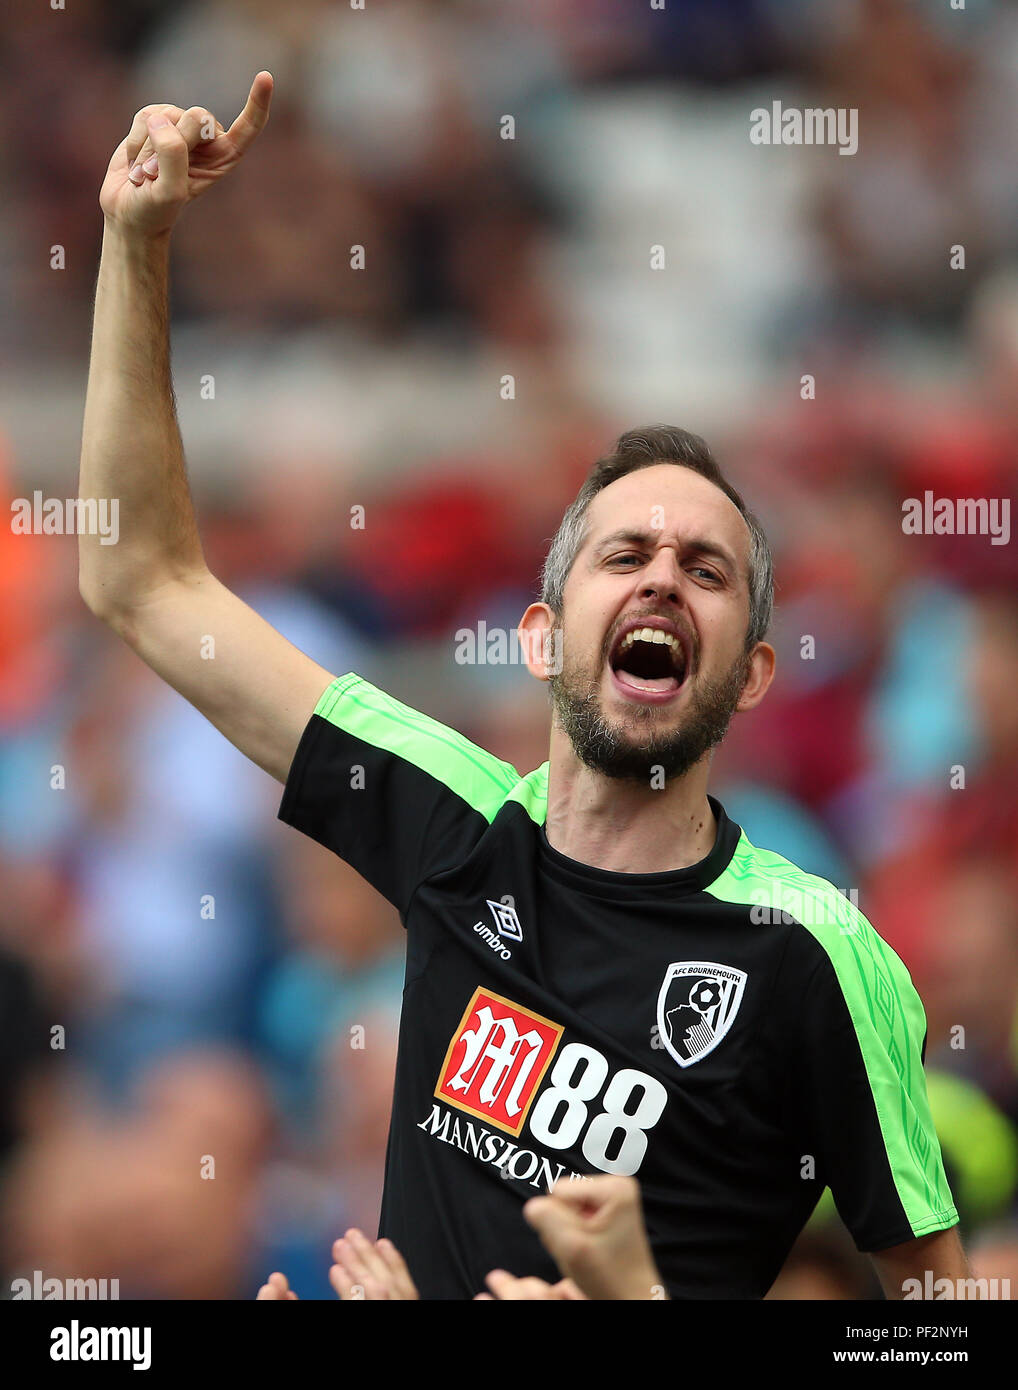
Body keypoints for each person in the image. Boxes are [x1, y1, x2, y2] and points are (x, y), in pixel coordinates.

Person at [80, 71, 967, 1300]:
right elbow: (144, 580)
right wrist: (137, 244)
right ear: (544, 637)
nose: (662, 577)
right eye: (625, 554)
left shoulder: (816, 952)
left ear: (754, 670)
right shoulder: (452, 815)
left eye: (705, 569)